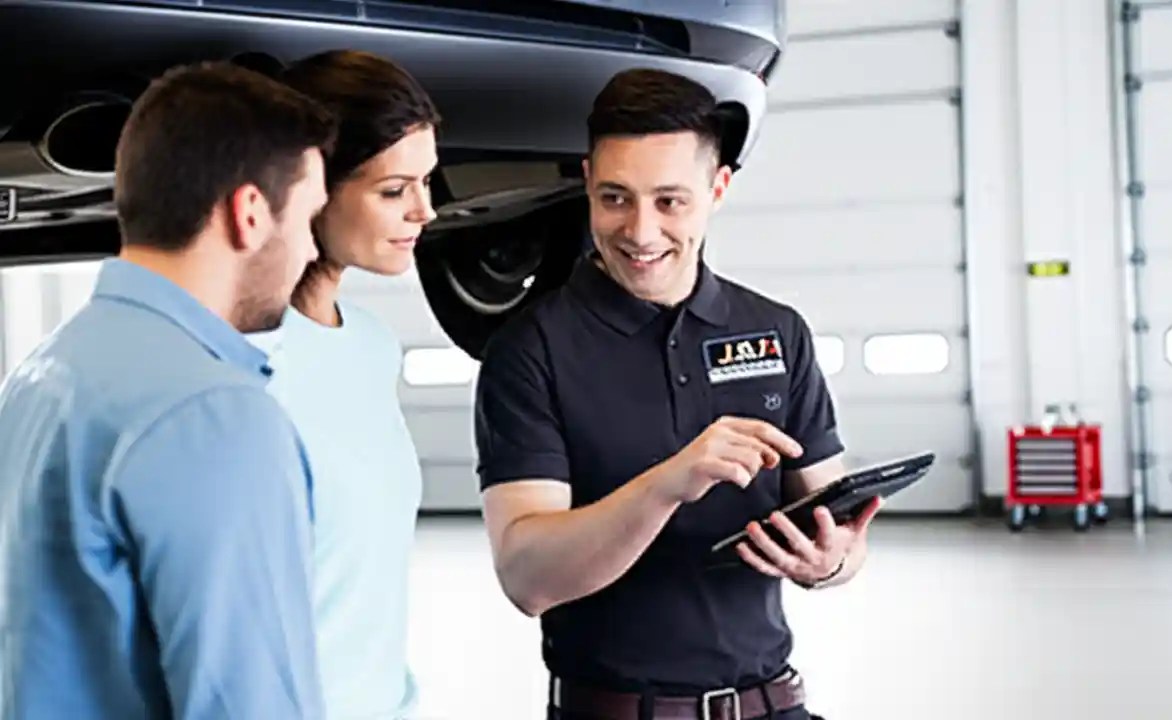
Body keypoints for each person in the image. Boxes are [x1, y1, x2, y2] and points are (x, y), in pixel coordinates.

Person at [472, 68, 882, 720]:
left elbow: (836, 526)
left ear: (718, 189)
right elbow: (528, 580)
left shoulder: (776, 333)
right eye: (615, 198)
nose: (640, 232)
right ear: (587, 181)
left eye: (670, 202)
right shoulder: (529, 351)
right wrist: (669, 482)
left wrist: (831, 561)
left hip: (773, 705)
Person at [0, 62, 334, 718]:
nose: (309, 252)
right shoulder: (215, 416)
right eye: (308, 219)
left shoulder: (40, 378)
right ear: (249, 214)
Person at [242, 49, 441, 720]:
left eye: (426, 182)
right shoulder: (239, 363)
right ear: (310, 186)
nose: (425, 211)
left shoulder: (371, 345)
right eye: (394, 190)